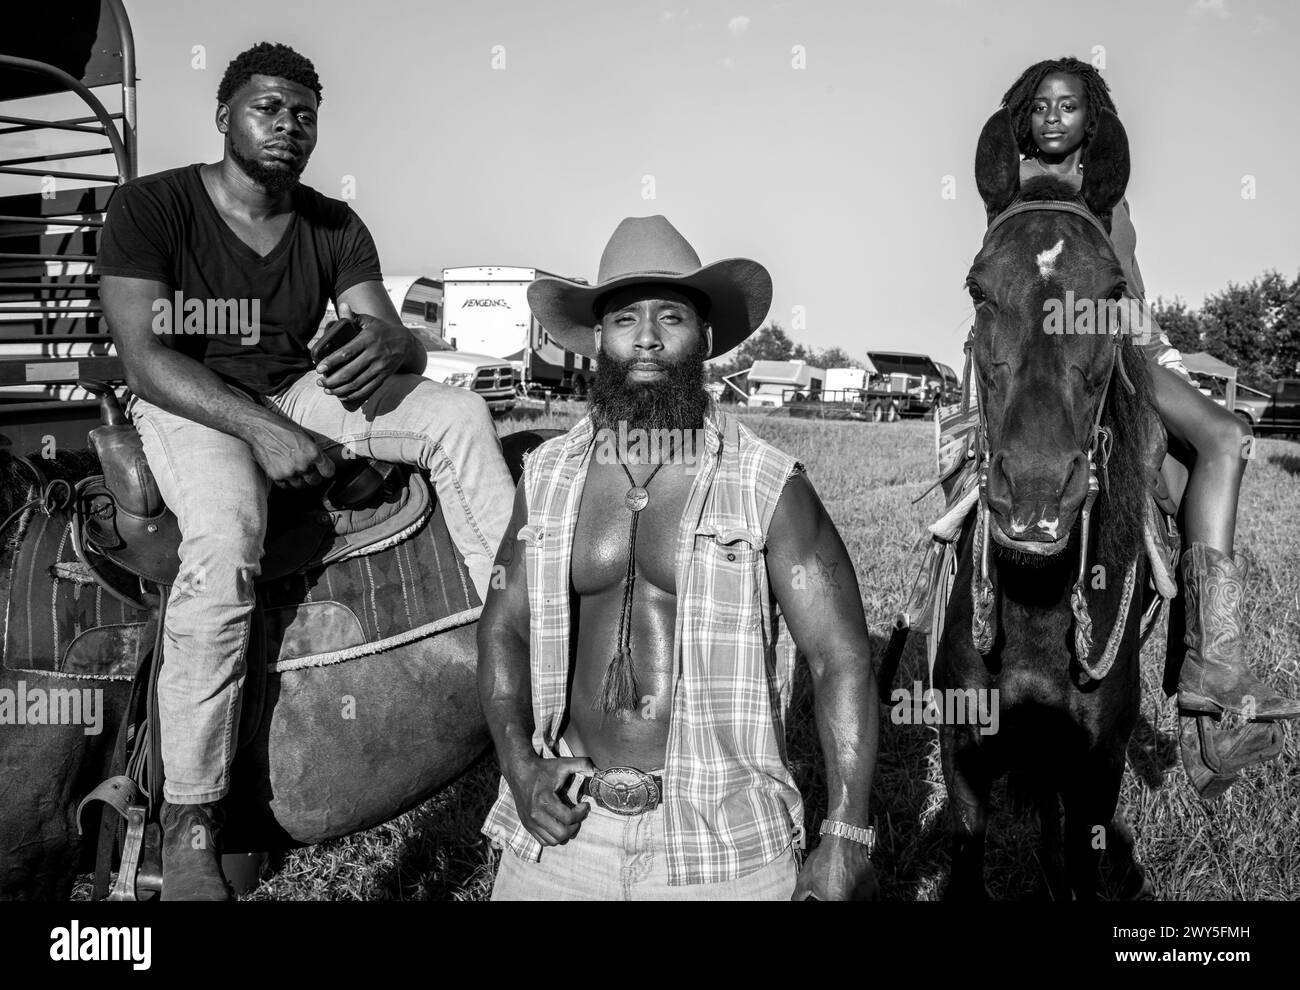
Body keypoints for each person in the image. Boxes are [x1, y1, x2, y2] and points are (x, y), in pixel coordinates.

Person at [96, 42, 516, 899]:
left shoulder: (332, 223)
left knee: (460, 418)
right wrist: (267, 434)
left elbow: (384, 327)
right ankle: (191, 819)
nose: (289, 126)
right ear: (224, 116)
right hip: (189, 400)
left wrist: (391, 346)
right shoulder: (152, 205)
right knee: (226, 538)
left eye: (304, 115)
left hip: (298, 389)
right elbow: (141, 356)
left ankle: (531, 653)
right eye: (268, 108)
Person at [477, 215, 880, 900]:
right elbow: (504, 626)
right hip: (564, 825)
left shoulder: (768, 485)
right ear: (598, 338)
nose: (648, 339)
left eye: (672, 318)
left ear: (706, 338)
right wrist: (521, 767)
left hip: (724, 841)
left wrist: (846, 831)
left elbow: (840, 657)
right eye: (626, 319)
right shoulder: (545, 476)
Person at [996, 57, 1299, 722]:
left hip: (1124, 339)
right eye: (1041, 103)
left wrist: (1160, 351)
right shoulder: (1010, 184)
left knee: (1228, 435)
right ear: (1024, 114)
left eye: (1068, 104)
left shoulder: (1113, 199)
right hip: (1043, 348)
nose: (1053, 115)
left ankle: (1211, 659)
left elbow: (1131, 297)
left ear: (1091, 118)